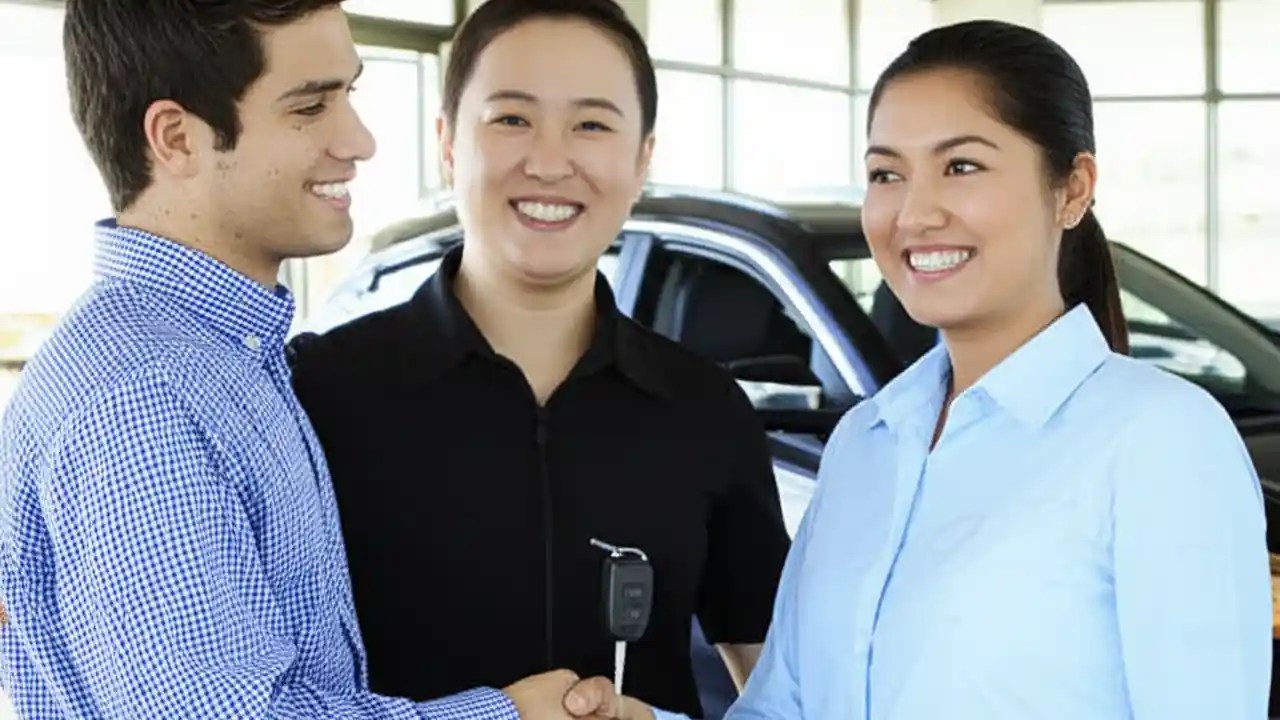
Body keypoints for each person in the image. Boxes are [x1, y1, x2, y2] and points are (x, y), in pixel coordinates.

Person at [0, 2, 624, 717]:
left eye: (348, 94)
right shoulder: (148, 400)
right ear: (177, 139)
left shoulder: (222, 360)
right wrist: (507, 716)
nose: (358, 141)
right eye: (310, 107)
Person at [728, 19, 1271, 720]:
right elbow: (781, 709)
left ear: (1072, 189)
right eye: (886, 174)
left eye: (961, 166)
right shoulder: (866, 443)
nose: (914, 214)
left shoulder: (1160, 440)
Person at [288, 1, 791, 719]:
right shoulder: (323, 392)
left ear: (643, 156)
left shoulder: (706, 410)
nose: (550, 162)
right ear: (449, 143)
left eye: (591, 124)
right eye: (511, 119)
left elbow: (779, 696)